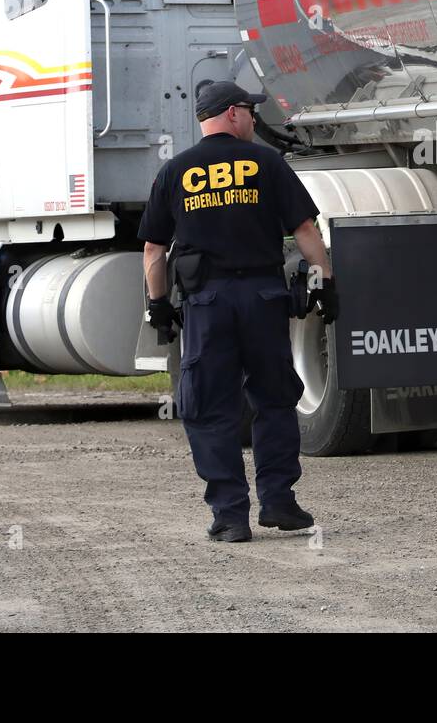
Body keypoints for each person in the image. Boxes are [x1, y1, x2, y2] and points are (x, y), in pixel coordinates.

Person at [139, 81, 337, 542]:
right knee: (274, 398)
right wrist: (324, 279)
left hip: (206, 305)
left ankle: (230, 516)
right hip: (264, 300)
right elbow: (304, 228)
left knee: (210, 407)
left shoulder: (176, 170)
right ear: (232, 113)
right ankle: (279, 502)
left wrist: (156, 305)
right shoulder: (266, 162)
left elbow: (153, 248)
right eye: (250, 111)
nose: (253, 119)